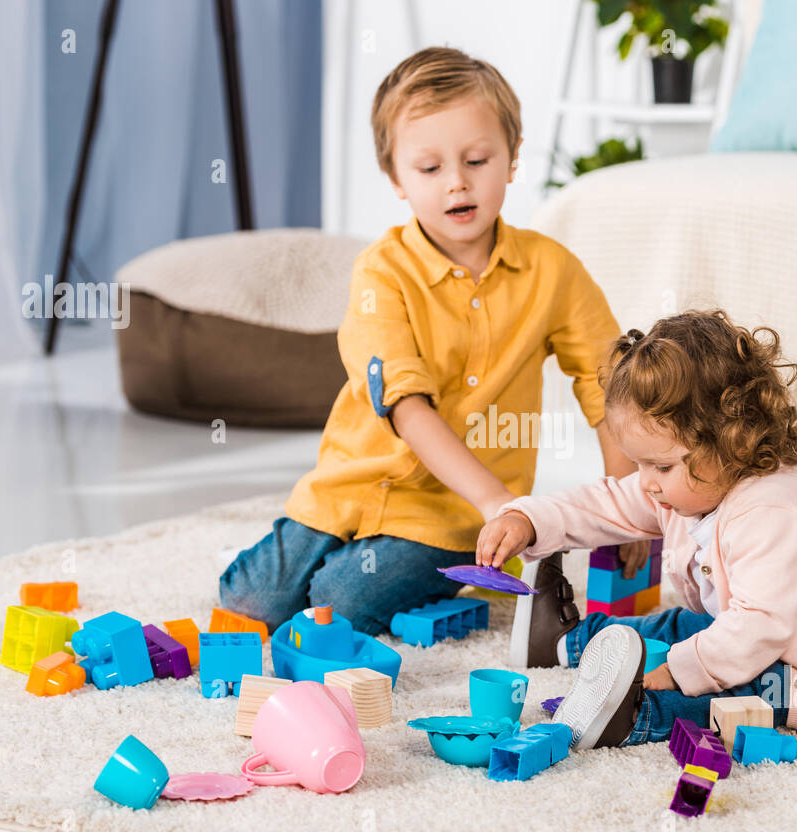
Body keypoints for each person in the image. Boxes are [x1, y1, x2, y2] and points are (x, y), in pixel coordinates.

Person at [219, 47, 645, 635]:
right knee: (252, 604)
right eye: (429, 169)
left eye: (476, 159)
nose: (457, 183)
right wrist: (497, 496)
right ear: (396, 178)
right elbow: (405, 405)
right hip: (346, 490)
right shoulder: (380, 273)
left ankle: (361, 580)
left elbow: (608, 384)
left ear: (512, 159)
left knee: (335, 607)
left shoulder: (553, 271)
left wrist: (624, 506)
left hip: (448, 517)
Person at [477, 310, 797, 749]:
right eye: (641, 464)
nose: (645, 481)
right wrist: (529, 519)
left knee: (742, 688)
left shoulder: (776, 511)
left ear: (734, 440)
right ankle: (563, 642)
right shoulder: (684, 484)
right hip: (771, 628)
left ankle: (637, 714)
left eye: (660, 466)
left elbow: (756, 630)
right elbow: (607, 503)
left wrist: (680, 670)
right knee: (678, 626)